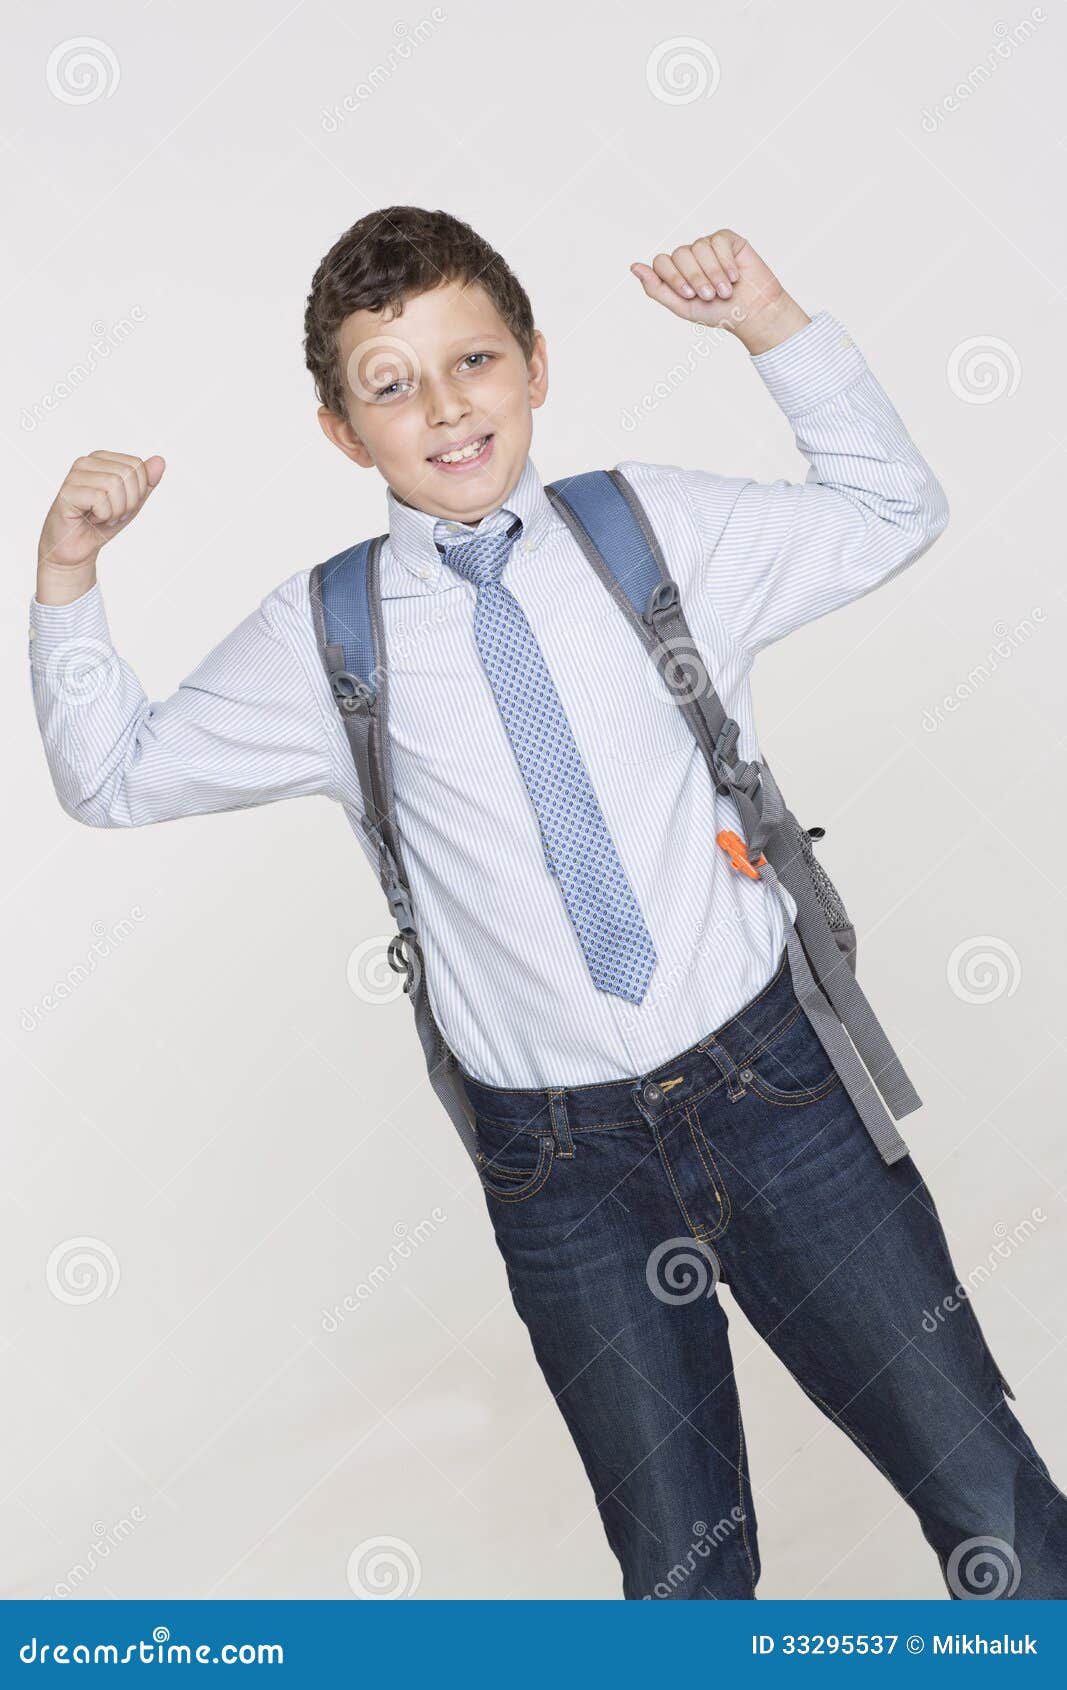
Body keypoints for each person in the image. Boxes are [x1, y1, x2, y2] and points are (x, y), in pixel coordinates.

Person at [29, 207, 1067, 1599]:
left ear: (533, 364)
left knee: (988, 1491)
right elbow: (115, 777)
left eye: (474, 362)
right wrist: (67, 579)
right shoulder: (322, 635)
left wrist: (770, 319)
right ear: (342, 431)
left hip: (779, 1093)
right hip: (560, 1171)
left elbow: (896, 511)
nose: (446, 408)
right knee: (679, 1582)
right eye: (390, 385)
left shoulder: (649, 528)